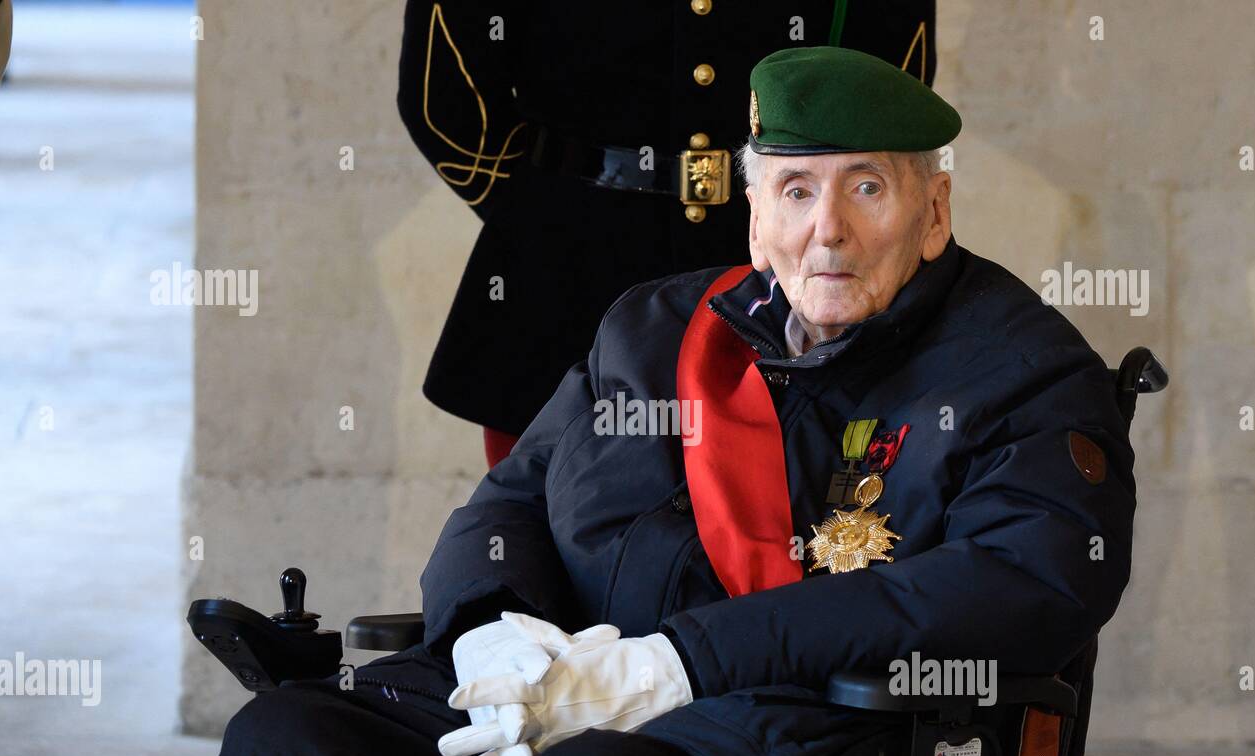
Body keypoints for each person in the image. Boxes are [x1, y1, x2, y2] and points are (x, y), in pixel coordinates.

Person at [201, 46, 1136, 756]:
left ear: (934, 213)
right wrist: (491, 625)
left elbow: (1029, 581)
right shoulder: (655, 329)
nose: (829, 230)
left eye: (867, 186)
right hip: (569, 695)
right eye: (797, 189)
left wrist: (673, 664)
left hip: (811, 749)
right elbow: (507, 506)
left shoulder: (1022, 369)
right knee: (289, 741)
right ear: (756, 218)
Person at [396, 0, 938, 466]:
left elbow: (887, 99)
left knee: (786, 552)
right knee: (540, 552)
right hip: (564, 290)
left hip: (779, 287)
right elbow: (447, 103)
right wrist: (540, 219)